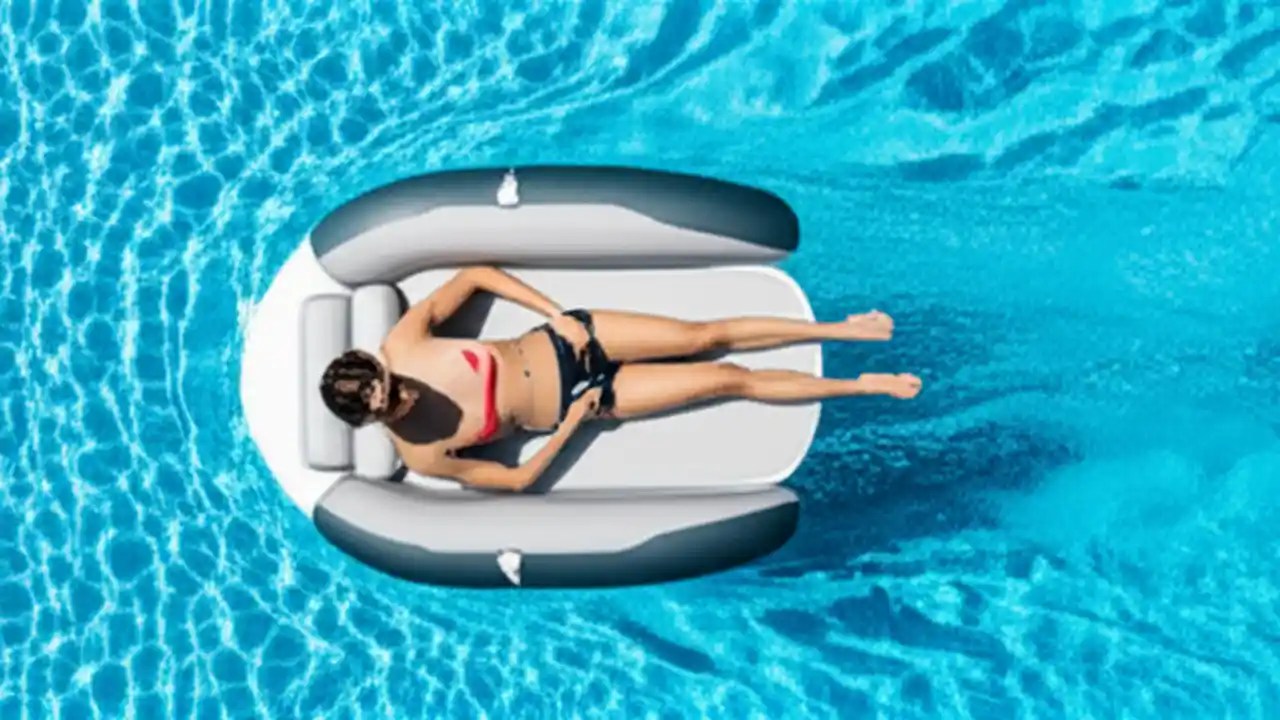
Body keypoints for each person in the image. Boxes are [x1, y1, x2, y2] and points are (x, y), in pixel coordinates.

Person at [319, 266, 922, 492]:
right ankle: (863, 386)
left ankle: (839, 330)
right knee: (727, 380)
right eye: (386, 405)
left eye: (388, 383)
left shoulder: (405, 342)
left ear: (379, 364)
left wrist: (555, 315)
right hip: (587, 403)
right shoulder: (424, 455)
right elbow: (518, 476)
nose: (402, 395)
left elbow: (476, 276)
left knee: (702, 337)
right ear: (372, 419)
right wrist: (575, 424)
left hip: (569, 339)